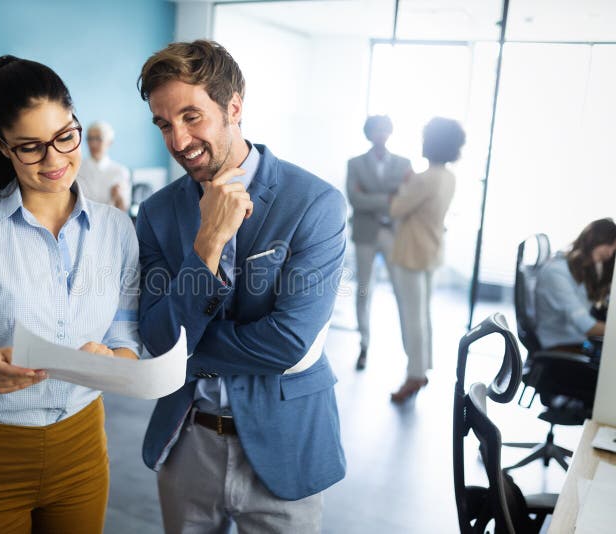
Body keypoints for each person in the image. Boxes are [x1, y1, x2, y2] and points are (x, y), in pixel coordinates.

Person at [135, 40, 346, 533]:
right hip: (186, 444)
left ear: (234, 106)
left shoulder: (315, 204)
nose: (178, 140)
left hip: (285, 445)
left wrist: (188, 351)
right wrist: (206, 244)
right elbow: (158, 340)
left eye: (192, 117)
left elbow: (288, 342)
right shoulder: (158, 213)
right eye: (164, 123)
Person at [0, 55, 141, 533]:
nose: (55, 160)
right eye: (31, 147)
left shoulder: (117, 229)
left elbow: (127, 342)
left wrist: (108, 360)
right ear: (1, 145)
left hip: (83, 449)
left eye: (66, 137)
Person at [388, 117, 465, 403]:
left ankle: (415, 374)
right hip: (432, 250)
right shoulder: (448, 176)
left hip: (411, 253)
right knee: (423, 313)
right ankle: (422, 368)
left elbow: (397, 208)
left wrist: (403, 186)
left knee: (412, 317)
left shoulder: (425, 177)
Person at [346, 115, 412, 370]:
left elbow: (406, 198)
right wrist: (390, 197)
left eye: (385, 129)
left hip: (394, 233)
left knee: (401, 292)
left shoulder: (404, 163)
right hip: (365, 233)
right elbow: (355, 199)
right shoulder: (355, 164)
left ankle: (410, 354)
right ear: (369, 133)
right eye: (376, 130)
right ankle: (364, 345)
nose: (381, 134)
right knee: (364, 291)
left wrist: (371, 196)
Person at [535, 218, 616, 354]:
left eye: (614, 250)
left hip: (576, 341)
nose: (610, 253)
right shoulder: (557, 272)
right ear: (594, 239)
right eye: (609, 246)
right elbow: (586, 325)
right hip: (560, 347)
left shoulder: (581, 269)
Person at [78, 120, 131, 211]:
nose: (93, 144)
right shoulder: (77, 168)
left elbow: (123, 209)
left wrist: (119, 196)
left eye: (98, 138)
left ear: (110, 142)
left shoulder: (121, 171)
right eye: (90, 138)